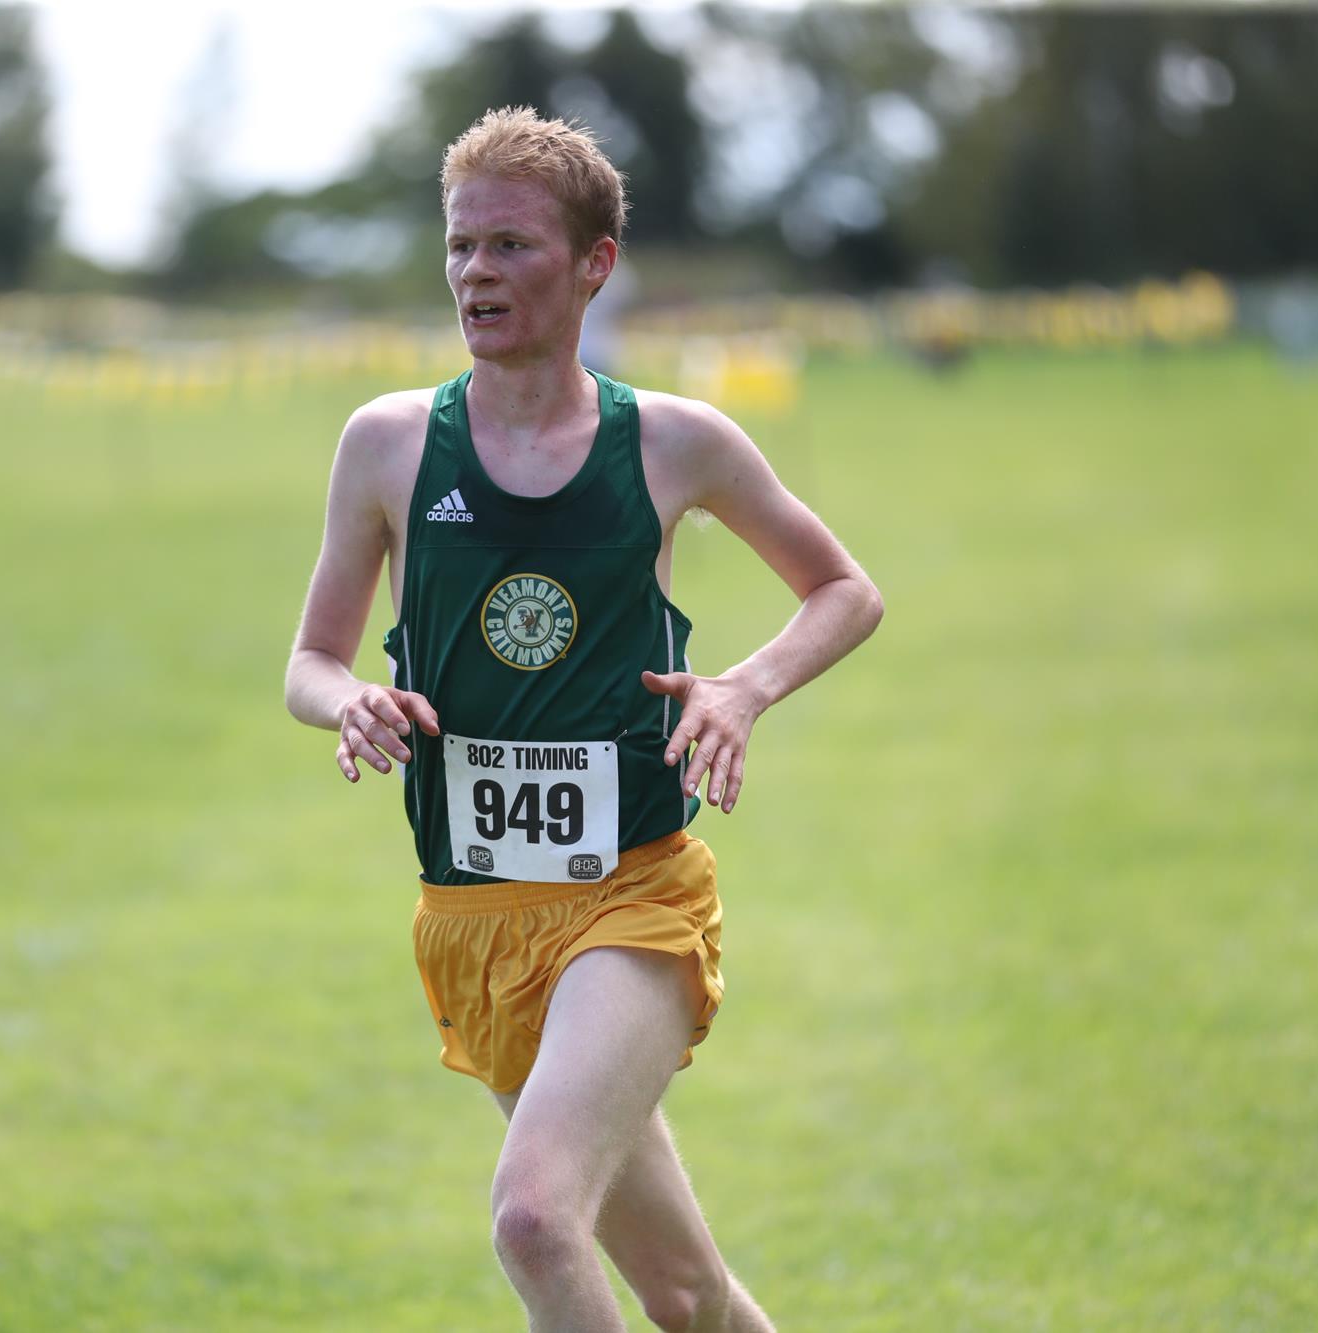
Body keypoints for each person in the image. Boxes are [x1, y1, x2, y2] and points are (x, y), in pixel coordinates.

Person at [284, 107, 883, 1332]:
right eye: (459, 246)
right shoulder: (388, 445)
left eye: (509, 245)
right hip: (471, 919)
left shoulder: (670, 443)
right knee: (684, 1293)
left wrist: (741, 685)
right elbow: (308, 659)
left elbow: (843, 589)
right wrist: (349, 700)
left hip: (630, 900)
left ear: (592, 263)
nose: (474, 273)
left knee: (533, 1220)